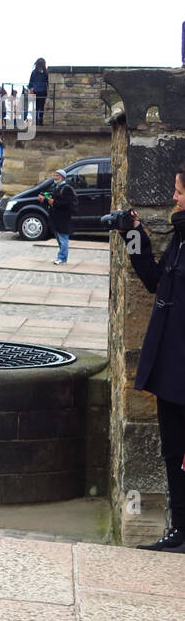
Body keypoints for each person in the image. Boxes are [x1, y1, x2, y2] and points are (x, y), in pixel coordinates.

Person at [118, 167, 185, 551]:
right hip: (172, 371)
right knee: (174, 452)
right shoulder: (181, 236)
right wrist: (131, 235)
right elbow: (156, 281)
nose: (173, 198)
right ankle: (180, 532)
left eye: (178, 191)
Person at [44, 168, 77, 264]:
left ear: (62, 177)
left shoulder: (67, 189)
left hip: (63, 218)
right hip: (56, 218)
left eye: (57, 175)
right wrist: (46, 200)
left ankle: (62, 258)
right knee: (59, 238)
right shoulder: (57, 187)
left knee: (63, 239)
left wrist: (54, 202)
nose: (55, 177)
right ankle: (62, 257)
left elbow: (67, 204)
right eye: (54, 175)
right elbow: (54, 202)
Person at [29, 58, 49, 126]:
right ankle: (38, 121)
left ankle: (37, 121)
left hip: (39, 91)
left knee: (38, 107)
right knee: (39, 107)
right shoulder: (45, 72)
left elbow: (30, 83)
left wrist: (32, 88)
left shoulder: (36, 72)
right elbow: (31, 83)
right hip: (40, 91)